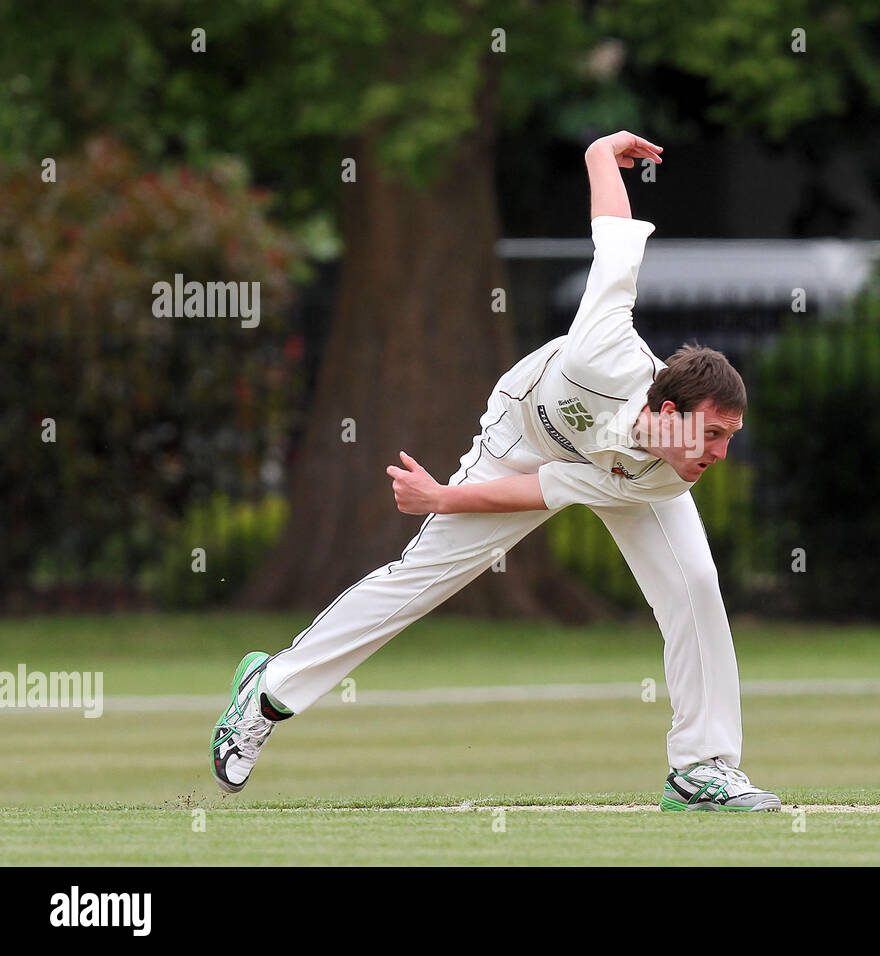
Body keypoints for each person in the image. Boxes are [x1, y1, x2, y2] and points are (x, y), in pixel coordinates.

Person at [211, 130, 781, 812]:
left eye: (729, 439)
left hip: (592, 470)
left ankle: (699, 769)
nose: (719, 454)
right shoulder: (601, 350)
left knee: (695, 582)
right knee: (422, 579)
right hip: (521, 432)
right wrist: (600, 153)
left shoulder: (674, 471)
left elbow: (549, 495)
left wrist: (446, 497)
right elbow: (617, 237)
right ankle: (269, 691)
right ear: (667, 407)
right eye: (712, 434)